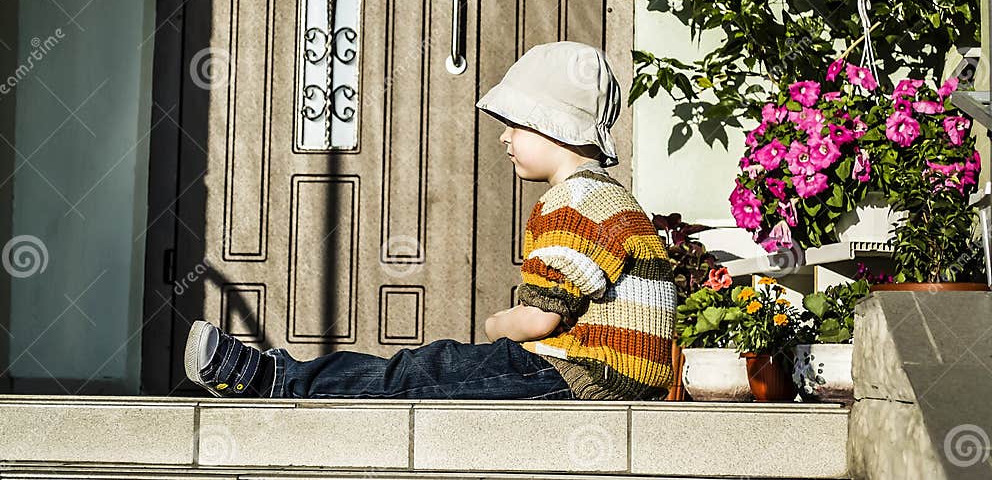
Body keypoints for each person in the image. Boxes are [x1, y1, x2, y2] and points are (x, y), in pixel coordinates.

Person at [184, 41, 677, 400]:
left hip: (579, 376)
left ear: (554, 127)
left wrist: (495, 325)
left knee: (426, 369)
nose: (504, 137)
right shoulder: (616, 201)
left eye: (516, 124)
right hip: (622, 376)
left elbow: (539, 318)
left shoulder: (571, 203)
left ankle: (276, 380)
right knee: (440, 370)